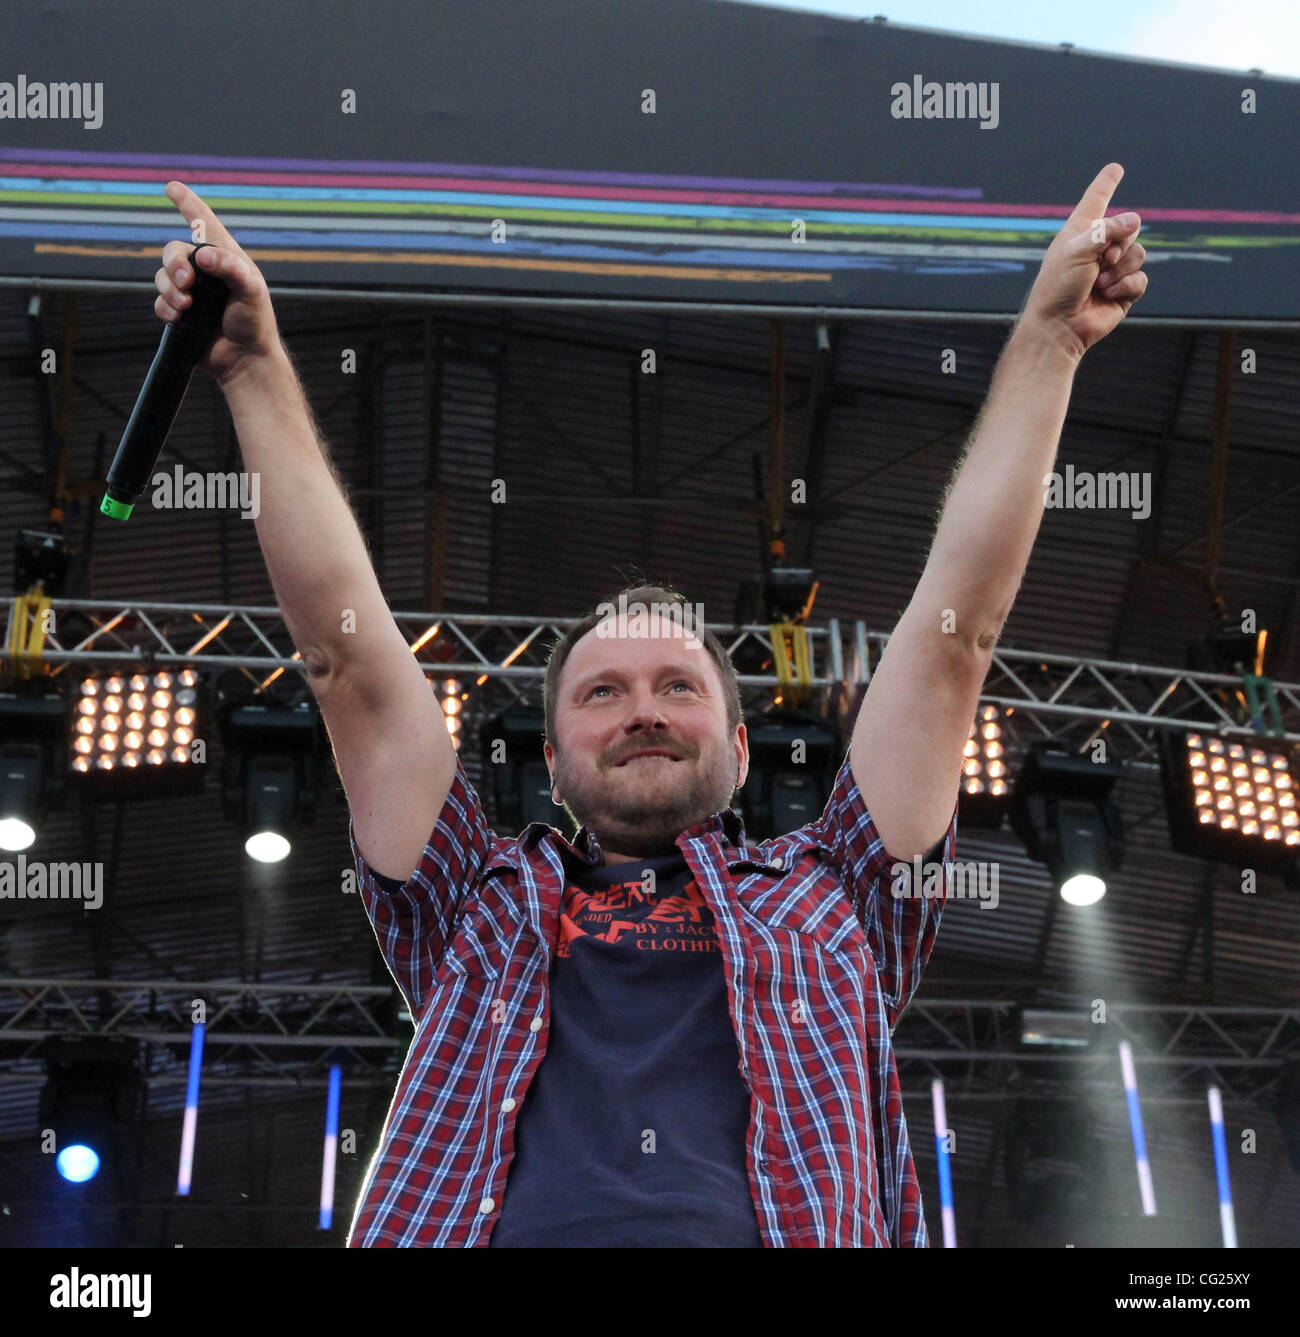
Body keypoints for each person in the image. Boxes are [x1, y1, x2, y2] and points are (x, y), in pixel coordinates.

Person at [152, 165, 1148, 1247]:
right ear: (550, 744)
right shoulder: (466, 896)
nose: (642, 710)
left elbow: (960, 633)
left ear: (740, 737)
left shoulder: (841, 887)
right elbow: (343, 654)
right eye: (602, 691)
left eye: (679, 685)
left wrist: (1049, 345)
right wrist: (252, 366)